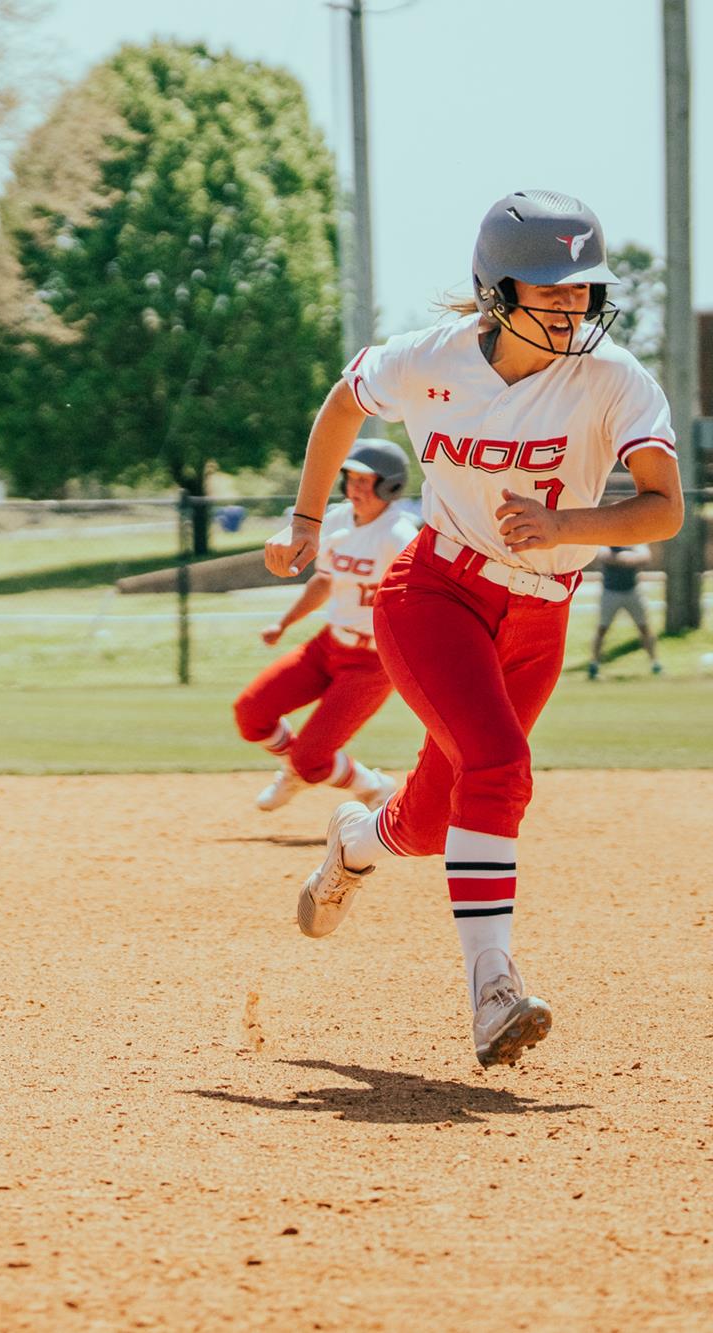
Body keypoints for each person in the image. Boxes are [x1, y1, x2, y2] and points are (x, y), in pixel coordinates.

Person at [265, 190, 682, 1067]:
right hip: (433, 592)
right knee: (499, 766)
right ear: (496, 288)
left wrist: (569, 526)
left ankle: (354, 838)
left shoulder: (616, 380)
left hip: (542, 613)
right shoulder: (430, 359)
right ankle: (493, 990)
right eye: (551, 287)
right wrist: (307, 518)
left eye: (584, 289)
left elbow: (663, 510)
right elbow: (343, 405)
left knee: (430, 816)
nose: (573, 304)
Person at [234, 440, 419, 814]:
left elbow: (417, 596)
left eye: (367, 481)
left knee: (311, 761)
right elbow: (323, 582)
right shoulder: (337, 519)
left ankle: (370, 786)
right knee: (251, 713)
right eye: (351, 478)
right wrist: (283, 623)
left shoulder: (398, 535)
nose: (355, 488)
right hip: (328, 646)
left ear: (391, 485)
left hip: (371, 663)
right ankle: (300, 767)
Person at [586, 544, 661, 679]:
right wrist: (629, 558)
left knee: (644, 628)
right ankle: (594, 665)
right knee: (602, 629)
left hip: (632, 590)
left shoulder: (636, 540)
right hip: (611, 592)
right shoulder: (607, 540)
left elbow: (645, 556)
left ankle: (655, 663)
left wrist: (623, 558)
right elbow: (605, 556)